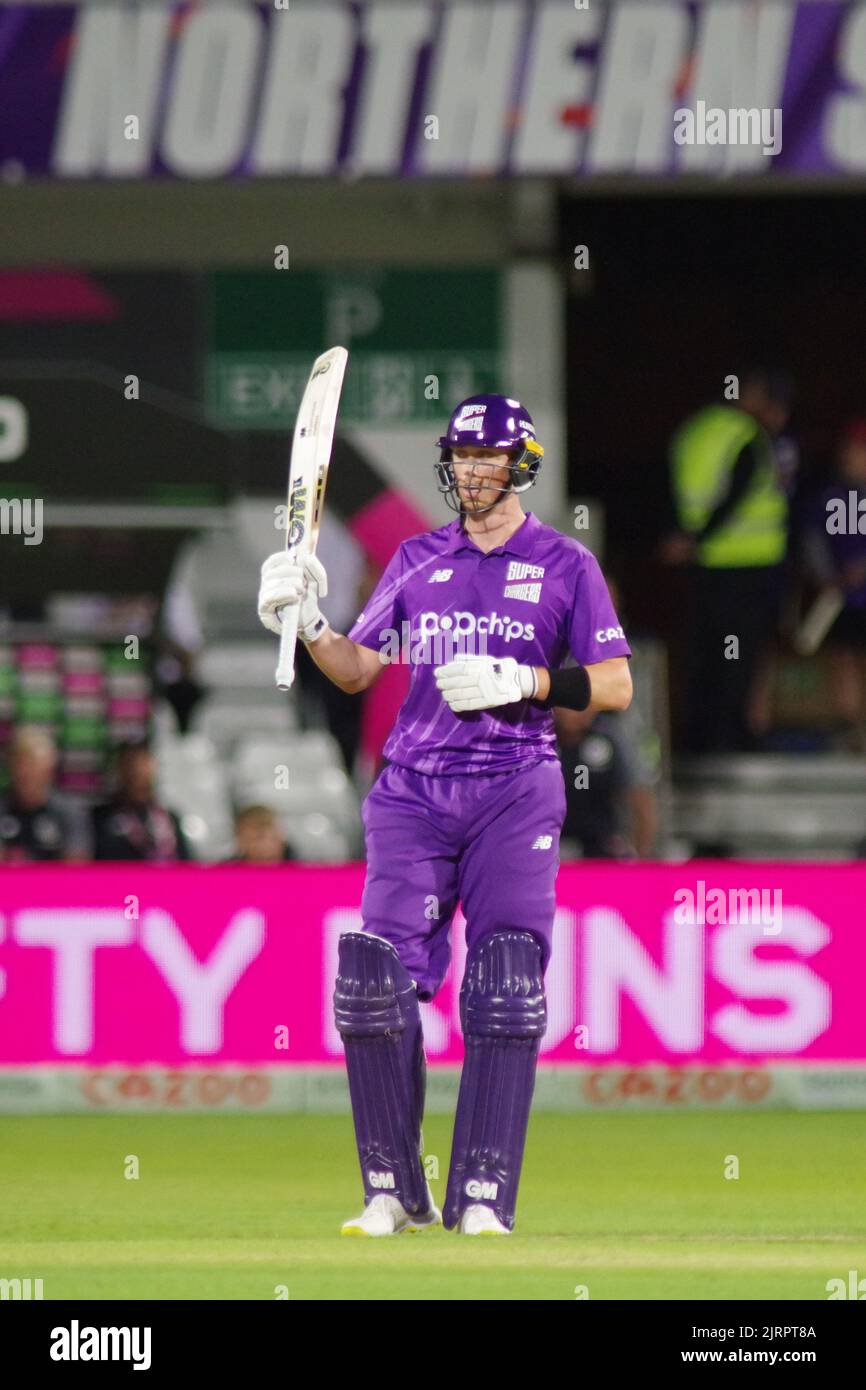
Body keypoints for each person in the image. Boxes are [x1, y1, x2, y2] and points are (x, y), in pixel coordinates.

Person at [258, 393, 631, 1237]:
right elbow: (356, 668)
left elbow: (615, 684)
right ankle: (392, 1191)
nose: (471, 472)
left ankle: (483, 1196)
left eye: (487, 457)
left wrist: (529, 681)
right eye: (461, 457)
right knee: (373, 985)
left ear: (520, 463)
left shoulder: (565, 562)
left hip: (515, 786)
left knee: (505, 985)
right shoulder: (416, 558)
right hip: (413, 791)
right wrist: (308, 622)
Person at [662, 368, 792, 752]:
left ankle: (697, 734)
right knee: (738, 654)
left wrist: (683, 539)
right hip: (747, 565)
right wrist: (698, 539)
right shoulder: (745, 434)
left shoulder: (693, 431)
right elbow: (735, 495)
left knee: (705, 651)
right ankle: (732, 735)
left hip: (705, 568)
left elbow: (669, 489)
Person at [799, 419, 866, 748]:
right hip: (842, 601)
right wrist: (828, 578)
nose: (849, 457)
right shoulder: (829, 497)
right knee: (843, 659)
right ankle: (848, 729)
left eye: (857, 451)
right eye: (847, 450)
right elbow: (812, 542)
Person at [555, 706, 658, 858]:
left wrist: (640, 854)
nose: (575, 712)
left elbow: (640, 797)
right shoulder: (535, 739)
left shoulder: (610, 738)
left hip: (600, 848)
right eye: (568, 705)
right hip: (547, 845)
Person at [0, 725, 91, 862]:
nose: (25, 773)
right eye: (19, 765)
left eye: (33, 767)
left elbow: (76, 865)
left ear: (49, 771)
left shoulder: (70, 812)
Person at [91, 741, 192, 861]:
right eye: (130, 765)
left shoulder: (169, 819)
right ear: (119, 770)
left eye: (143, 764)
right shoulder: (98, 818)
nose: (137, 772)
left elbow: (186, 865)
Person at [223, 804, 295, 863]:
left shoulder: (299, 868)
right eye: (252, 839)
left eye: (260, 837)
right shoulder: (225, 871)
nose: (263, 846)